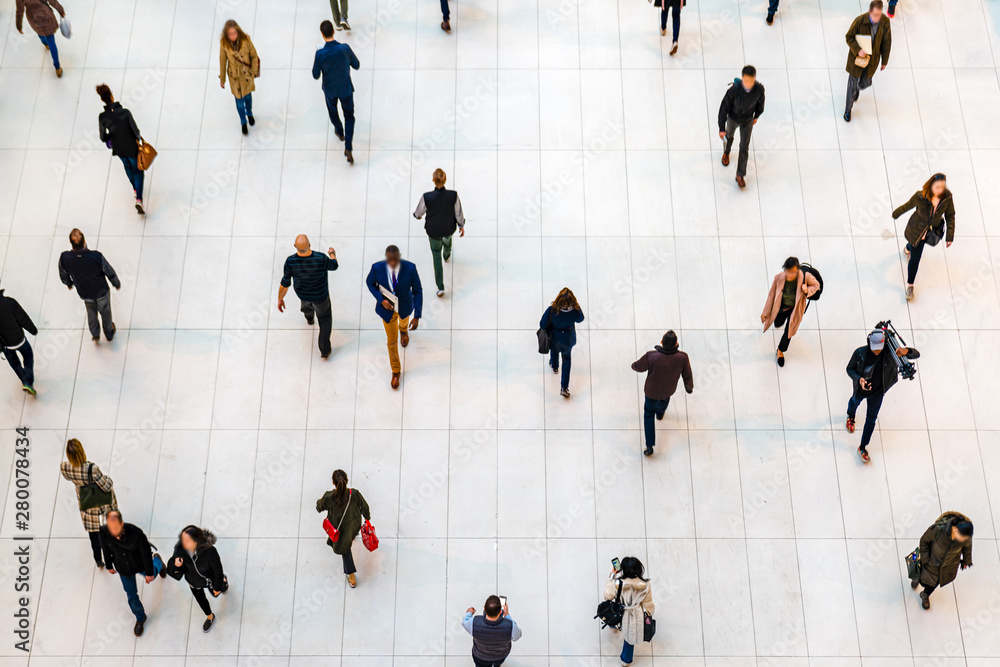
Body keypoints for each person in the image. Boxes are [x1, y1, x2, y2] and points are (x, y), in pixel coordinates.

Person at [845, 329, 915, 463]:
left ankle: (862, 447)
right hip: (861, 390)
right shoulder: (860, 353)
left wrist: (906, 351)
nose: (877, 351)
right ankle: (851, 416)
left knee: (871, 420)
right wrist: (859, 379)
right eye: (874, 348)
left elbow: (916, 354)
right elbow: (849, 368)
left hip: (877, 393)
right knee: (854, 402)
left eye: (879, 348)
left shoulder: (890, 355)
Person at [365, 246, 423, 389]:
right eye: (389, 260)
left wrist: (417, 316)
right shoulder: (377, 268)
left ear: (399, 256)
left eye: (395, 260)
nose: (392, 263)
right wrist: (381, 300)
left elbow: (417, 290)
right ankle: (396, 371)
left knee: (404, 323)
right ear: (386, 257)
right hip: (387, 311)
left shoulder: (410, 268)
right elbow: (370, 283)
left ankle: (403, 330)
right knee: (391, 341)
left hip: (404, 307)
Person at [99, 510, 165, 637]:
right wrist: (108, 565)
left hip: (139, 564)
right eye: (111, 528)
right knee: (131, 594)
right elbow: (105, 548)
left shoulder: (136, 534)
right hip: (123, 568)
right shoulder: (104, 532)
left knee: (153, 573)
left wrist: (149, 573)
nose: (113, 531)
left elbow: (145, 554)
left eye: (116, 528)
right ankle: (140, 617)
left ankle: (158, 562)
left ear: (122, 523)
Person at [892, 173, 955, 301]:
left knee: (913, 247)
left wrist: (950, 235)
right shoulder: (920, 197)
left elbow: (950, 216)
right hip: (916, 231)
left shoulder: (947, 198)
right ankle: (910, 285)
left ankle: (907, 249)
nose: (940, 190)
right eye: (937, 187)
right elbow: (907, 205)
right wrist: (896, 213)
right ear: (931, 186)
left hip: (931, 232)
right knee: (915, 259)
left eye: (942, 187)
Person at [631, 331, 693, 456]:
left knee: (648, 415)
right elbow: (687, 374)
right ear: (676, 344)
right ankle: (660, 414)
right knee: (664, 401)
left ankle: (649, 446)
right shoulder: (682, 357)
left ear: (661, 342)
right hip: (668, 390)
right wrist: (689, 387)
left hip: (651, 393)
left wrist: (634, 365)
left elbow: (638, 366)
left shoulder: (652, 356)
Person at [60, 438, 118, 569]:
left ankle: (98, 559)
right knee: (110, 524)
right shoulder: (92, 469)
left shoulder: (65, 467)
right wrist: (108, 478)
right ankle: (114, 550)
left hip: (86, 502)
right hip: (100, 502)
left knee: (93, 533)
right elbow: (107, 486)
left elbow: (68, 477)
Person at [278, 235, 339, 359]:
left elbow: (285, 284)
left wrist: (280, 299)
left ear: (295, 246)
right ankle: (325, 350)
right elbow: (334, 265)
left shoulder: (290, 261)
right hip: (321, 297)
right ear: (309, 244)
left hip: (303, 295)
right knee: (325, 320)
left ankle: (309, 318)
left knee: (306, 306)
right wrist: (332, 253)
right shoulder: (321, 258)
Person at [59, 228, 121, 343]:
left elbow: (63, 274)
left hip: (84, 292)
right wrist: (115, 282)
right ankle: (108, 333)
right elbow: (109, 271)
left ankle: (95, 334)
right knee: (105, 312)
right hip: (101, 291)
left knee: (91, 312)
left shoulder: (65, 258)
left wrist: (69, 283)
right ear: (84, 240)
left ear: (70, 242)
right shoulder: (96, 257)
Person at [312, 20, 360, 165]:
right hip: (345, 88)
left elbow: (315, 75)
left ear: (322, 34)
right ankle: (348, 147)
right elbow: (356, 65)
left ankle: (339, 132)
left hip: (330, 90)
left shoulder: (320, 54)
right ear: (333, 31)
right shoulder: (344, 48)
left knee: (333, 111)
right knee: (349, 116)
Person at [413, 168, 466, 297]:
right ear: (445, 179)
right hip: (448, 228)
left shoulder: (427, 197)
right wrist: (461, 225)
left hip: (434, 231)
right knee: (447, 241)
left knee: (436, 255)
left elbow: (419, 212)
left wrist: (417, 216)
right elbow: (458, 212)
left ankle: (440, 286)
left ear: (433, 180)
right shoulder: (453, 195)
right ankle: (447, 255)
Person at [166, 525, 228, 633]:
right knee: (200, 599)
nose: (182, 542)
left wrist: (217, 587)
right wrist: (176, 565)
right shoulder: (180, 549)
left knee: (217, 592)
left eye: (187, 540)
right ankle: (209, 616)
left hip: (210, 579)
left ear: (196, 542)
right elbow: (172, 567)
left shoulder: (210, 552)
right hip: (193, 581)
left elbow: (218, 570)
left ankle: (224, 582)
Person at [315, 469, 371, 589]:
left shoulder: (329, 497)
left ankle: (351, 576)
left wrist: (320, 499)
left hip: (340, 530)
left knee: (345, 550)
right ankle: (351, 538)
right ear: (347, 481)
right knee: (350, 536)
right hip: (354, 524)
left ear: (333, 483)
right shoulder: (354, 494)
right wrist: (367, 518)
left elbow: (319, 508)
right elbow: (364, 507)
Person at [760, 257, 820, 366]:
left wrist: (807, 290)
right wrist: (765, 312)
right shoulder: (778, 278)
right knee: (778, 321)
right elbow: (771, 295)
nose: (789, 275)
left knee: (788, 332)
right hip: (781, 307)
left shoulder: (806, 277)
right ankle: (778, 322)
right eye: (787, 272)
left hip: (795, 310)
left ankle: (780, 350)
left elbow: (816, 285)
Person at [96, 84, 145, 214]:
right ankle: (139, 199)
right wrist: (138, 138)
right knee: (138, 170)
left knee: (127, 167)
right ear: (112, 96)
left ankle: (135, 189)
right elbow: (136, 131)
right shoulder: (125, 112)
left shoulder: (102, 117)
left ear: (102, 99)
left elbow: (102, 137)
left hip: (119, 148)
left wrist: (110, 137)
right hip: (131, 147)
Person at [912, 512, 973, 610]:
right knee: (922, 574)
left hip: (948, 566)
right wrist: (925, 558)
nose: (965, 540)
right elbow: (924, 541)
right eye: (964, 538)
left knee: (934, 583)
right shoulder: (939, 529)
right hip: (930, 560)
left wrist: (966, 561)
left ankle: (925, 594)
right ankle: (917, 578)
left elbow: (967, 548)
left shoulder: (965, 537)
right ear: (956, 530)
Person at [718, 65, 765, 189]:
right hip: (733, 118)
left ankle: (740, 174)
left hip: (747, 120)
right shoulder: (734, 90)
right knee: (729, 136)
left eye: (751, 81)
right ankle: (726, 152)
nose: (748, 84)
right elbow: (724, 107)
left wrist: (756, 116)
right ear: (743, 78)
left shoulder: (759, 89)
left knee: (744, 147)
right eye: (746, 81)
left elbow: (761, 103)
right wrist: (721, 127)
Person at [844, 0, 891, 122]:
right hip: (857, 59)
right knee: (851, 85)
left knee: (865, 83)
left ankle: (858, 89)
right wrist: (858, 50)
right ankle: (848, 110)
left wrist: (884, 60)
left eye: (879, 14)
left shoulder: (885, 22)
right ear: (869, 11)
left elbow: (887, 42)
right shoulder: (860, 21)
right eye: (875, 15)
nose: (877, 18)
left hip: (872, 60)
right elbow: (849, 37)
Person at [603, 557, 654, 667]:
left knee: (614, 617)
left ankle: (613, 625)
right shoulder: (645, 585)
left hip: (620, 610)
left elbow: (607, 596)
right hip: (635, 614)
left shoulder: (617, 583)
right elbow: (648, 602)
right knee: (630, 637)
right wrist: (649, 613)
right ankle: (626, 660)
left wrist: (612, 576)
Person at [539, 288, 585, 399]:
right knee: (567, 359)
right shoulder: (575, 311)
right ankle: (564, 387)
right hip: (568, 339)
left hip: (554, 338)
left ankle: (554, 366)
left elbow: (543, 325)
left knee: (554, 352)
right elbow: (580, 319)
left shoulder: (551, 310)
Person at [219, 20, 260, 136]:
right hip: (235, 78)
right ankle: (243, 122)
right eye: (230, 34)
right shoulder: (224, 44)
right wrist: (222, 78)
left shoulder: (246, 40)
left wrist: (253, 71)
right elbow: (222, 61)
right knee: (239, 101)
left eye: (234, 33)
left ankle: (250, 113)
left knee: (247, 97)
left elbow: (254, 55)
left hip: (246, 75)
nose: (233, 36)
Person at [462, 595, 523, 667]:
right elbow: (517, 636)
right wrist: (507, 615)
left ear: (484, 609)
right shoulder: (510, 626)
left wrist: (469, 613)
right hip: (501, 655)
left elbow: (464, 622)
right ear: (500, 611)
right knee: (498, 663)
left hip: (480, 656)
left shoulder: (474, 623)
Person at [0, 287, 38, 395]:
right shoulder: (9, 303)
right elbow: (22, 318)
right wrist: (33, 330)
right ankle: (28, 380)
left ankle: (24, 380)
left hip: (6, 345)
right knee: (28, 355)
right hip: (19, 340)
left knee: (14, 363)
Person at [15, 0, 66, 77]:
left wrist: (19, 25)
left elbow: (19, 11)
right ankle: (57, 67)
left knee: (40, 32)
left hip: (33, 17)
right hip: (46, 15)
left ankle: (45, 44)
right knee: (51, 39)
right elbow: (53, 1)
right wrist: (61, 10)